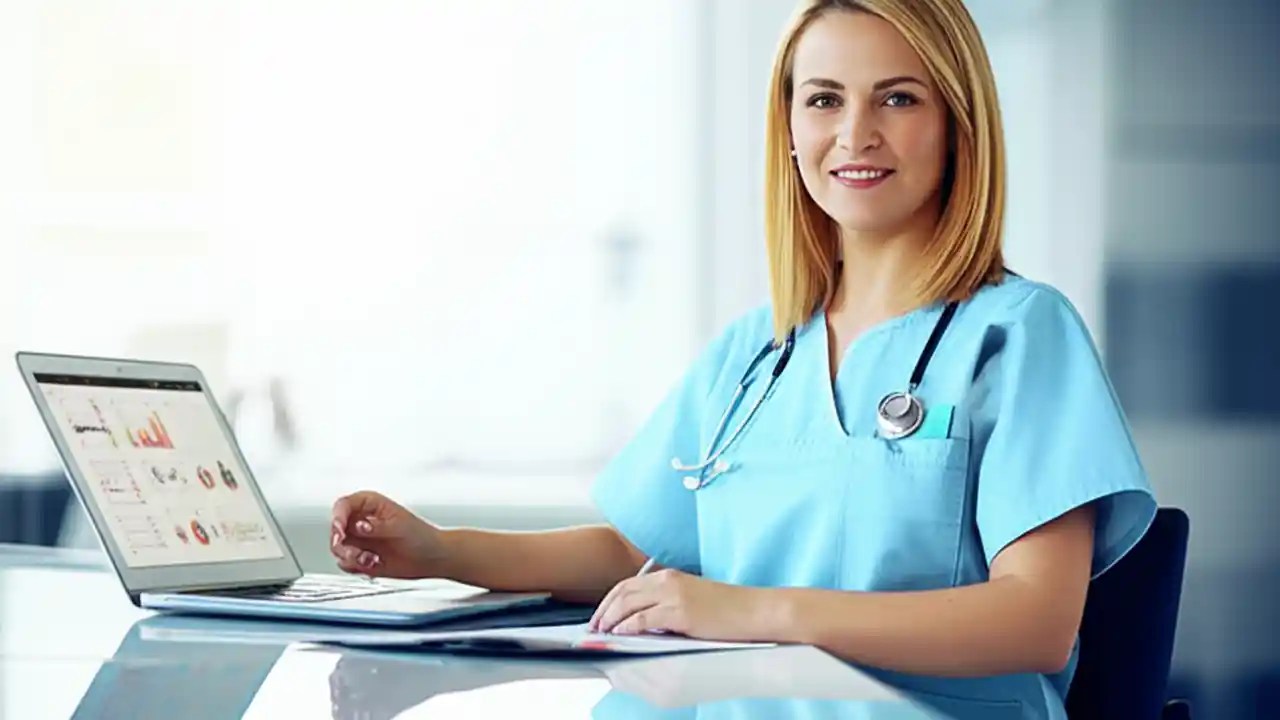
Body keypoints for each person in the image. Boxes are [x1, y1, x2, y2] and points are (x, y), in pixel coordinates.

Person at [330, 1, 1155, 717]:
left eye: (898, 99)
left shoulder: (1017, 333)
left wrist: (753, 611)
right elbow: (636, 553)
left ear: (956, 124)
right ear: (790, 132)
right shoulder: (756, 354)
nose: (855, 134)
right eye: (824, 100)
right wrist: (444, 552)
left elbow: (1035, 622)